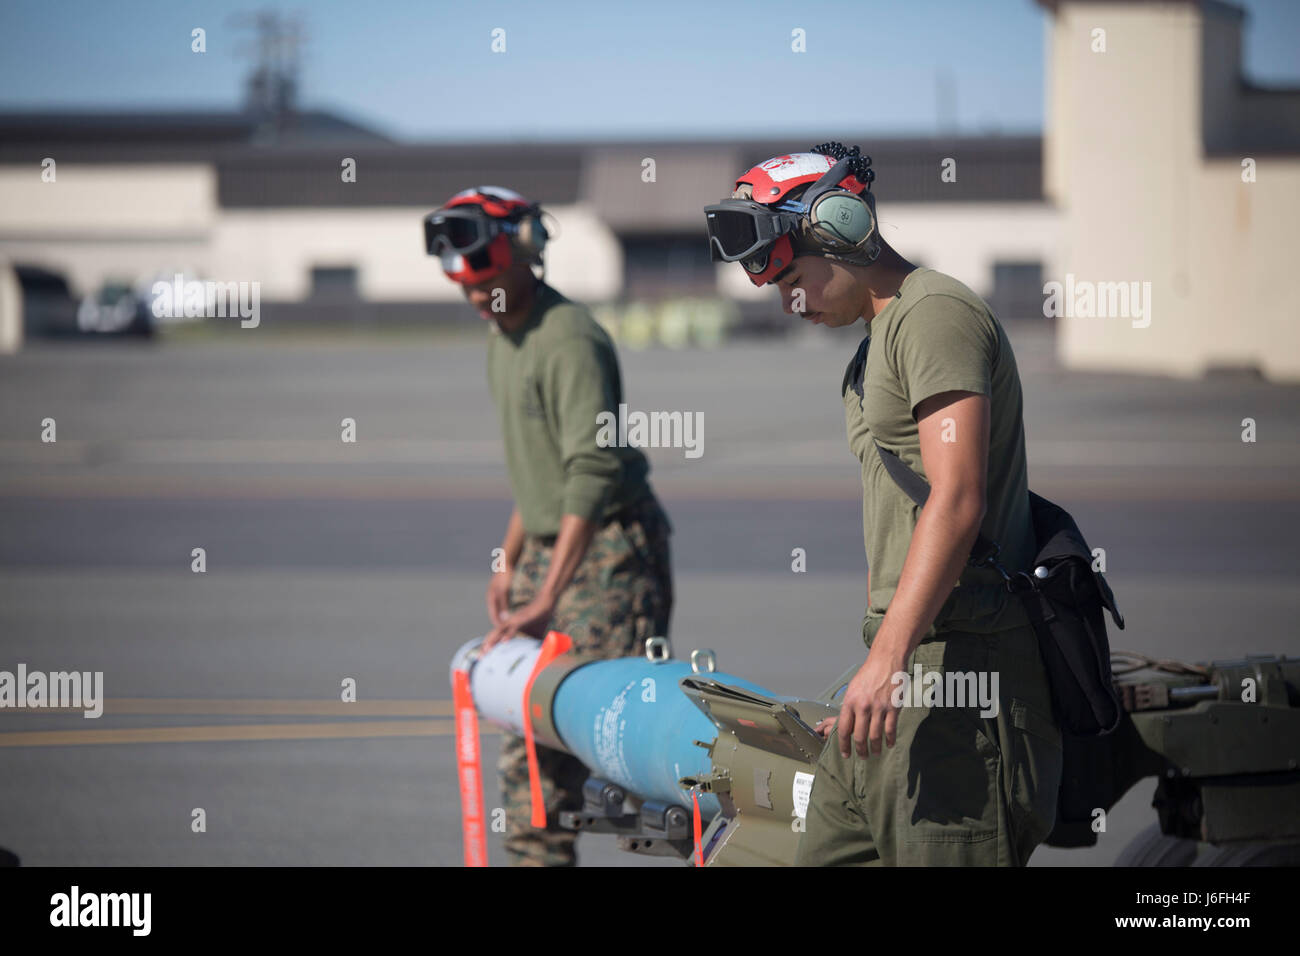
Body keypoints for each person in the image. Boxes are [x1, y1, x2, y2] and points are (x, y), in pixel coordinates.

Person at [705, 143, 1062, 865]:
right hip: (903, 681)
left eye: (792, 279)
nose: (790, 302)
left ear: (836, 229)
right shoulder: (876, 346)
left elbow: (957, 500)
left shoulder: (933, 316)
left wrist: (889, 659)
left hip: (963, 686)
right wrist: (877, 666)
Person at [425, 185, 673, 866]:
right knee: (532, 765)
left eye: (490, 285)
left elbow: (590, 474)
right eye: (470, 292)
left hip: (609, 556)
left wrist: (545, 593)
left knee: (620, 746)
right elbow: (537, 472)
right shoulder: (504, 336)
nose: (480, 301)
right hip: (555, 545)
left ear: (525, 255)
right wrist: (510, 567)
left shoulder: (568, 340)